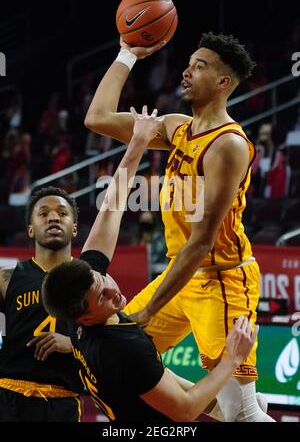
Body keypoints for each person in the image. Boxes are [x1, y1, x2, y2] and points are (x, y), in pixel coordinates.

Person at [84, 32, 274, 422]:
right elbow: (97, 118)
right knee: (116, 346)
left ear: (223, 83)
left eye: (200, 66)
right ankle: (214, 402)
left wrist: (151, 308)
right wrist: (126, 54)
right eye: (189, 63)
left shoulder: (228, 146)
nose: (186, 71)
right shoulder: (177, 128)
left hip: (222, 281)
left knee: (243, 414)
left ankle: (239, 404)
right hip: (182, 274)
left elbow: (202, 242)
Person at [42, 107, 258, 422]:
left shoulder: (81, 299)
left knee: (237, 412)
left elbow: (113, 204)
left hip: (134, 387)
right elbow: (185, 409)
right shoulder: (121, 347)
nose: (112, 292)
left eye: (103, 281)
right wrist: (232, 359)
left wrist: (137, 144)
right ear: (85, 319)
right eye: (102, 297)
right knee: (241, 413)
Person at [0, 186, 83, 422]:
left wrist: (73, 343)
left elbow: (111, 341)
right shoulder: (7, 279)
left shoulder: (92, 280)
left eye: (62, 213)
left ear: (74, 228)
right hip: (8, 397)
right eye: (43, 213)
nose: (54, 217)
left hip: (63, 402)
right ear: (30, 229)